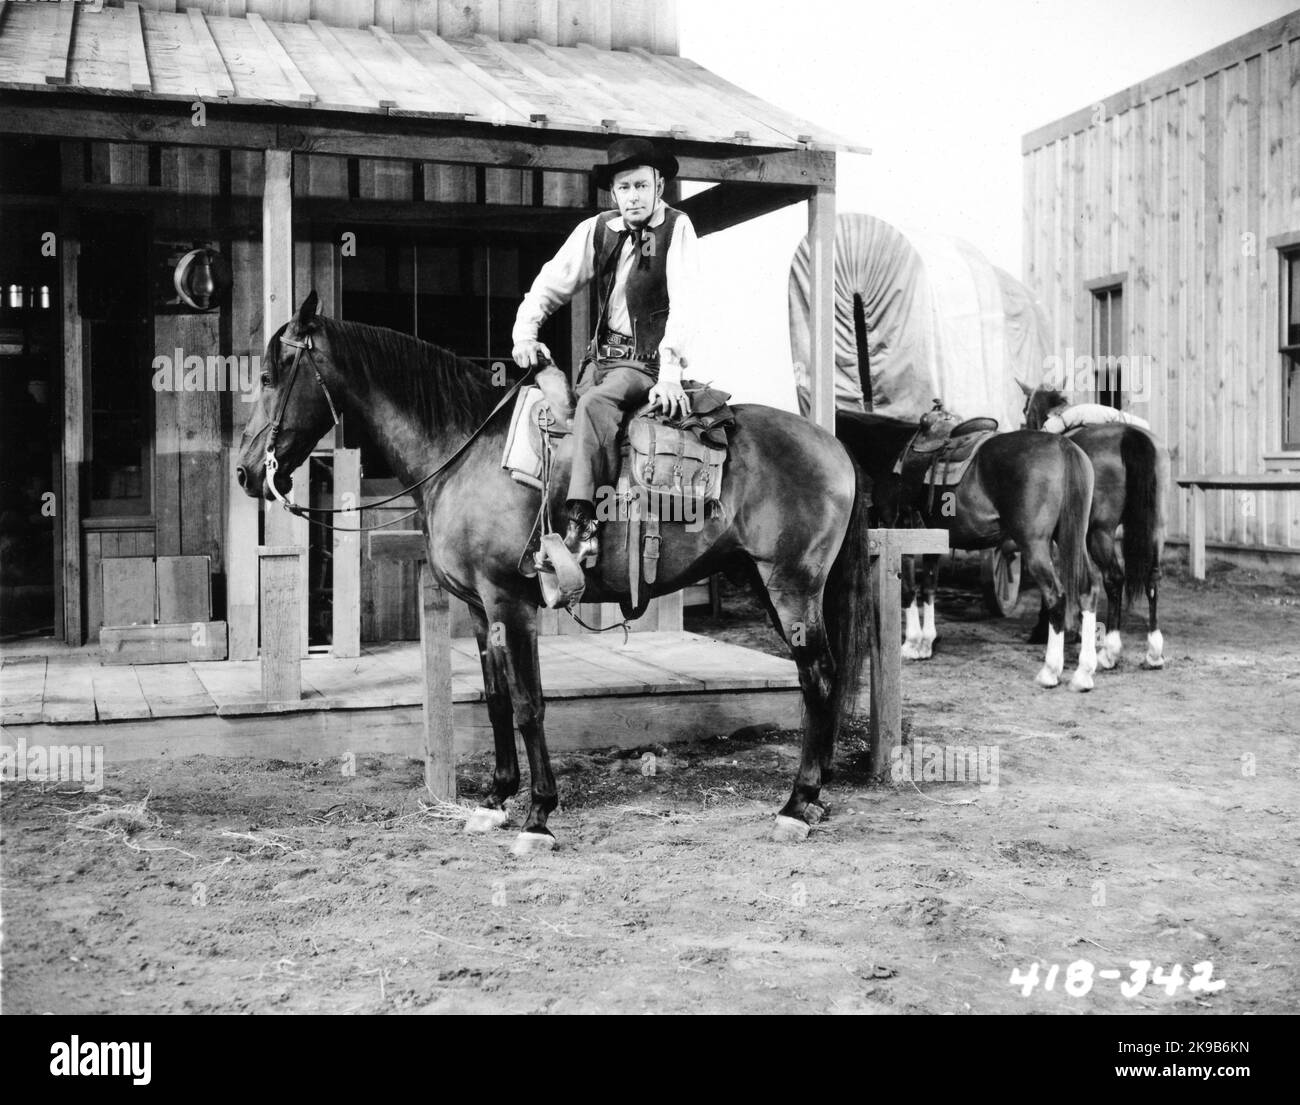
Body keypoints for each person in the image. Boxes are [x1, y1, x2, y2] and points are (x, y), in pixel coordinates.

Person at [511, 137, 699, 562]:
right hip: (600, 361)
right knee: (555, 412)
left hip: (646, 363)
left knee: (595, 406)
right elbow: (551, 281)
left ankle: (584, 525)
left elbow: (686, 303)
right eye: (624, 188)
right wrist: (525, 331)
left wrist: (669, 373)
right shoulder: (598, 230)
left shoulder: (676, 228)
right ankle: (535, 529)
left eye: (640, 186)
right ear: (613, 193)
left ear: (659, 187)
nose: (633, 197)